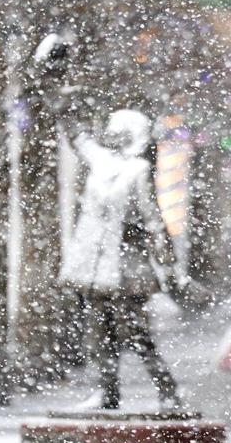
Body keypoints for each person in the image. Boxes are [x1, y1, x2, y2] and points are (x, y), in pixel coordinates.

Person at [58, 108, 184, 411]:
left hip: (127, 264)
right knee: (99, 332)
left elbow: (152, 218)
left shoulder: (138, 170)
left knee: (135, 333)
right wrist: (60, 97)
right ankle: (107, 391)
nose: (111, 135)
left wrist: (167, 263)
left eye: (118, 131)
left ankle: (167, 388)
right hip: (94, 264)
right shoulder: (98, 159)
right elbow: (77, 135)